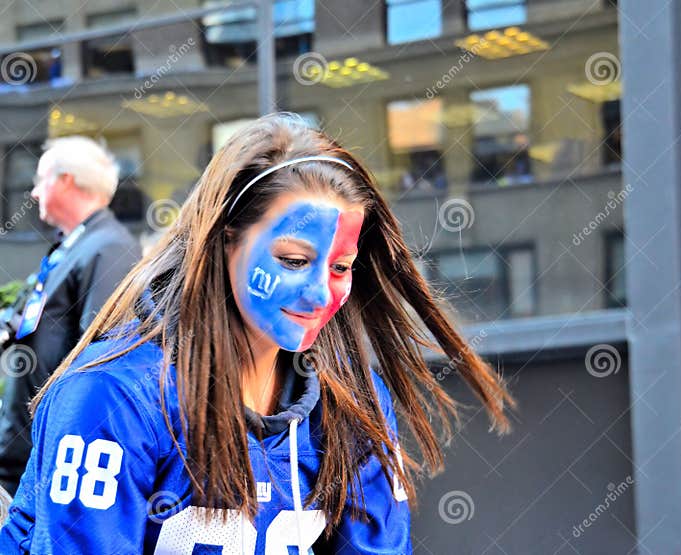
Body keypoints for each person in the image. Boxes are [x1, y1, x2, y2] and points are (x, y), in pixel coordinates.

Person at [0, 113, 515, 554]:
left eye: (340, 268)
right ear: (226, 241)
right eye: (293, 260)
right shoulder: (112, 399)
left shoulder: (356, 406)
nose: (319, 294)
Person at [0, 136, 141, 495]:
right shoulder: (73, 245)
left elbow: (102, 355)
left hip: (45, 464)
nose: (32, 193)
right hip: (25, 457)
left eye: (40, 179)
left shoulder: (109, 246)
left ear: (65, 180)